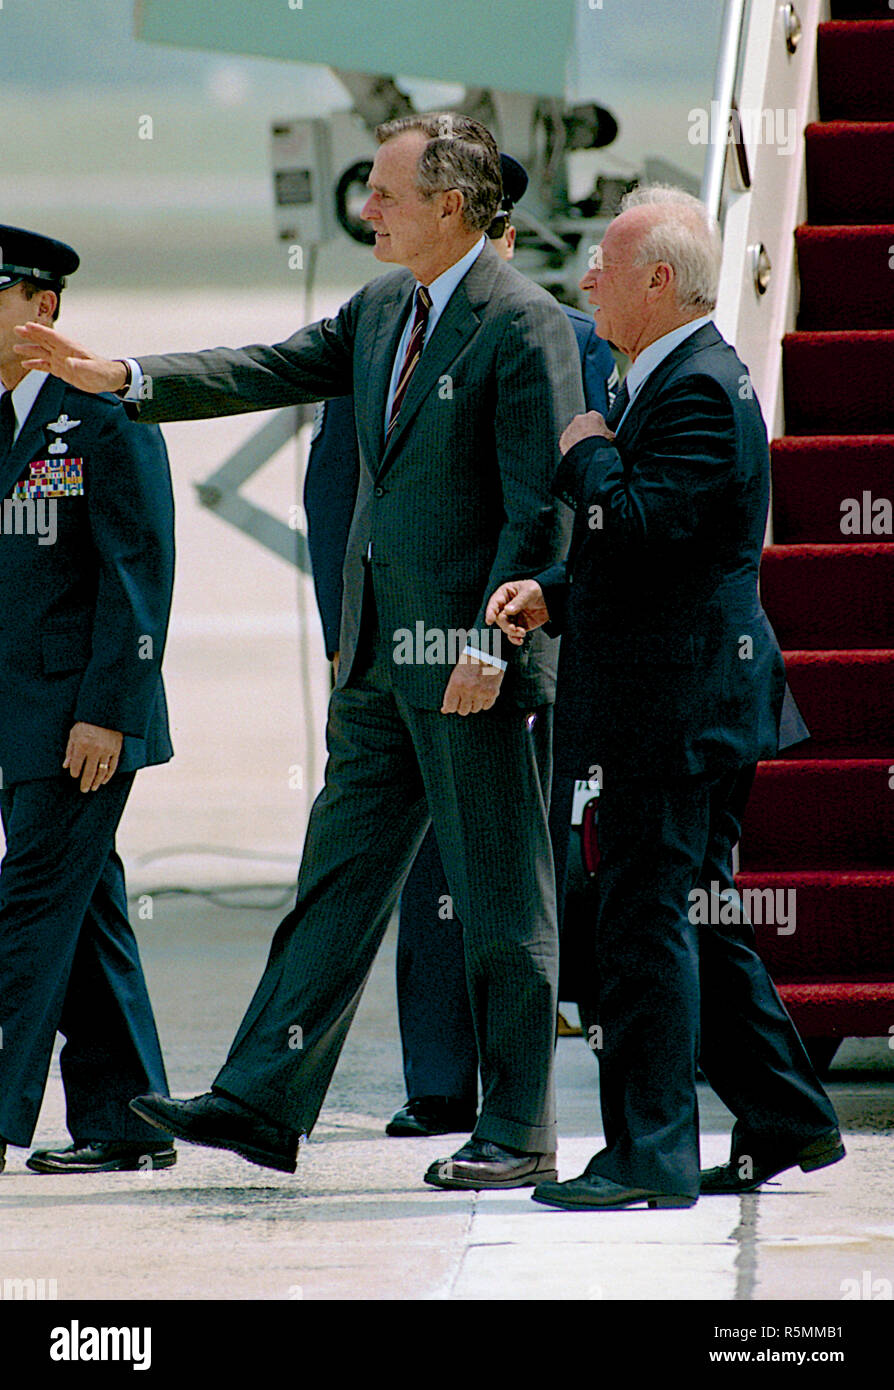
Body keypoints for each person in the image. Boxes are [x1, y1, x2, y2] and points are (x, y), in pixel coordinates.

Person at [19, 115, 584, 1190]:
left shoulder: (524, 325)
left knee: (504, 900)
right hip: (379, 663)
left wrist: (493, 641)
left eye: (383, 190)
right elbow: (266, 367)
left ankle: (517, 1128)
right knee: (335, 883)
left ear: (451, 207)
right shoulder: (381, 310)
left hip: (468, 664)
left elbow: (541, 508)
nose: (364, 207)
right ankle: (263, 1097)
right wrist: (127, 376)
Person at [487, 186, 843, 1211]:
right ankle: (787, 1114)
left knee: (643, 927)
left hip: (675, 713)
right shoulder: (666, 375)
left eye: (604, 261)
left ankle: (651, 1151)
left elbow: (638, 524)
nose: (586, 278)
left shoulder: (690, 388)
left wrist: (586, 445)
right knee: (697, 916)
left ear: (657, 280)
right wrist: (553, 593)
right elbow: (655, 552)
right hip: (680, 697)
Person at [386, 152, 618, 1138]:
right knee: (437, 870)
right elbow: (340, 488)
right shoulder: (395, 336)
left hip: (544, 650)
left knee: (542, 863)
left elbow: (578, 506)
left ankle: (546, 1082)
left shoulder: (583, 345)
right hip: (427, 653)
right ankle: (441, 1082)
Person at [0, 225, 176, 1175]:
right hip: (20, 718)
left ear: (43, 306)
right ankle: (128, 1116)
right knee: (86, 909)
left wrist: (108, 710)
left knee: (27, 907)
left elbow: (138, 573)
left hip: (82, 723)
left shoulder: (99, 417)